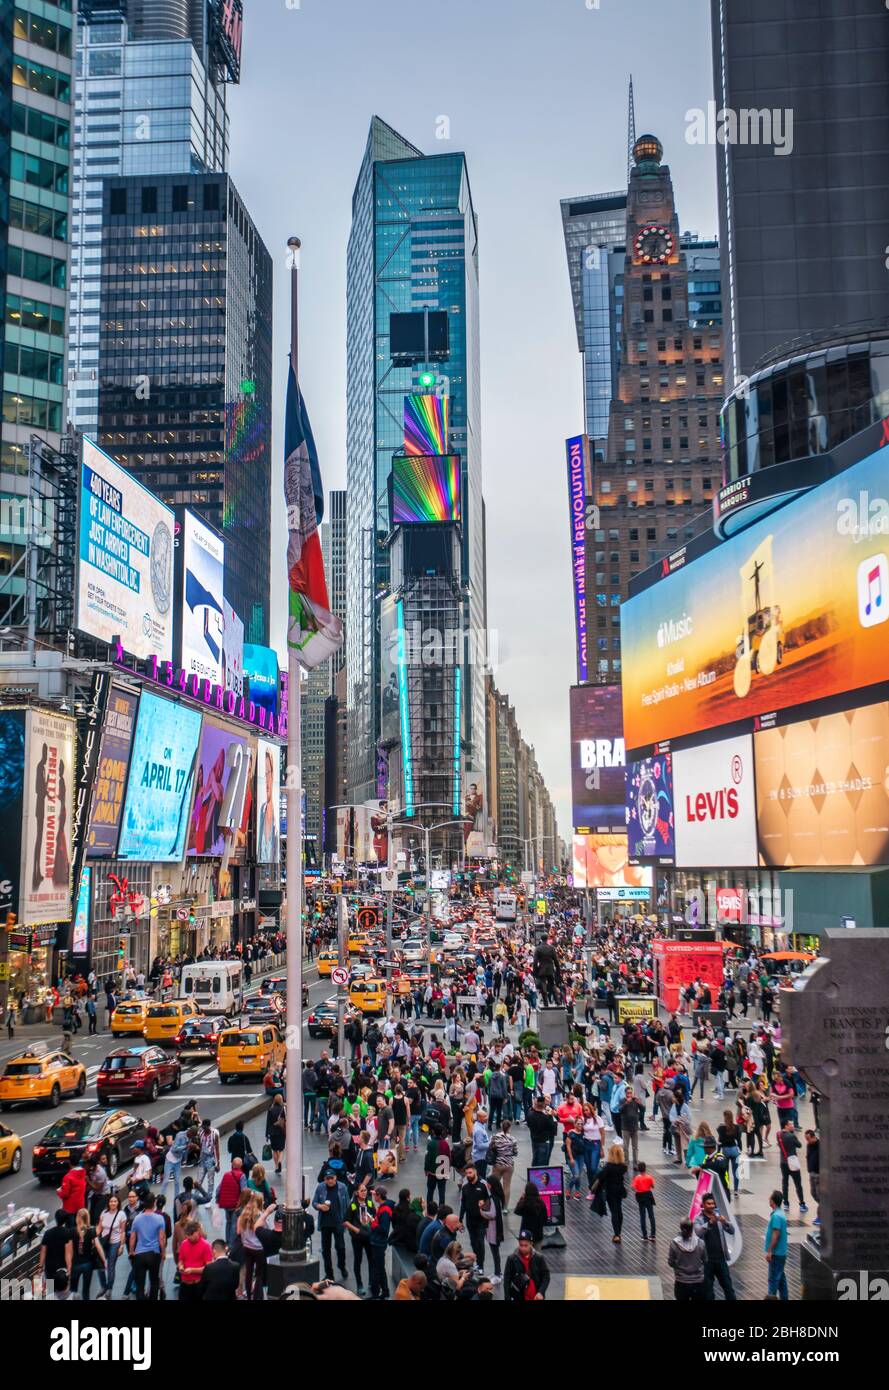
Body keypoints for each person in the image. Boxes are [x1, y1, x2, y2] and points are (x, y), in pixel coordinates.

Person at [694, 1192, 737, 1300]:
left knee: (728, 1288)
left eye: (713, 1203)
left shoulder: (718, 1216)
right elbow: (698, 1232)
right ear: (703, 1205)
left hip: (721, 1259)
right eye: (709, 1204)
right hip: (707, 1261)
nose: (712, 1206)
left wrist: (725, 1222)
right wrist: (709, 1223)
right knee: (708, 1291)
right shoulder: (698, 1219)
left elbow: (732, 1231)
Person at [129, 1193, 166, 1301]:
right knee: (154, 1281)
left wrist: (131, 1251)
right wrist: (163, 1252)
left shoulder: (137, 1219)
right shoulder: (159, 1218)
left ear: (144, 1203)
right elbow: (161, 1239)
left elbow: (132, 1238)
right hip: (154, 1254)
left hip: (140, 1254)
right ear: (154, 1203)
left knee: (140, 1284)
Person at [344, 1180, 375, 1296]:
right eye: (361, 1191)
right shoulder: (352, 1205)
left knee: (371, 1259)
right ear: (356, 1193)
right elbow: (345, 1221)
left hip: (369, 1237)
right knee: (358, 1260)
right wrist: (355, 1229)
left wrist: (372, 1222)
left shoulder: (370, 1203)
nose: (364, 1192)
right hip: (357, 1239)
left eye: (365, 1190)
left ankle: (372, 1282)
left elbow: (374, 1215)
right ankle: (359, 1284)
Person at [667, 1217, 707, 1301]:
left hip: (681, 1281)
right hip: (698, 1281)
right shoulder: (700, 1243)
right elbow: (705, 1260)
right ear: (692, 1228)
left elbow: (671, 1262)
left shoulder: (674, 1243)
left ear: (681, 1227)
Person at [596, 1142, 628, 1244]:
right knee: (619, 1210)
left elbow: (600, 1176)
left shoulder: (608, 1167)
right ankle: (619, 1232)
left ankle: (617, 1234)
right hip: (620, 1190)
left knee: (614, 1212)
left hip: (610, 1191)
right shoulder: (623, 1167)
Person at [503, 1232, 550, 1301]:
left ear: (531, 1244)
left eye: (526, 1245)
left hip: (536, 1297)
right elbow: (507, 1280)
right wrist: (507, 1297)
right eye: (521, 1245)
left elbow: (546, 1276)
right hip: (519, 1297)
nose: (523, 1248)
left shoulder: (539, 1258)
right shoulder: (512, 1259)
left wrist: (541, 1292)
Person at [97, 1194, 127, 1299]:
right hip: (104, 1243)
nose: (113, 1203)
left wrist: (122, 1246)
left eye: (115, 1201)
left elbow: (123, 1232)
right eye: (111, 1201)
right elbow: (99, 1228)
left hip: (115, 1242)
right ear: (108, 1203)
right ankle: (103, 1286)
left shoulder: (121, 1214)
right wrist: (94, 1238)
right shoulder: (104, 1213)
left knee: (111, 1266)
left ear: (118, 1203)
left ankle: (109, 1288)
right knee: (100, 1265)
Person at [177, 1219, 213, 1302]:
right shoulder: (184, 1244)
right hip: (184, 1284)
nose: (189, 1237)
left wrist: (192, 1270)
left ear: (197, 1232)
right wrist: (181, 1266)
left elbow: (208, 1268)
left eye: (191, 1235)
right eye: (187, 1235)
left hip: (198, 1285)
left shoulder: (206, 1246)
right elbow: (181, 1260)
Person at [777, 1119, 808, 1213]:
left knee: (785, 1183)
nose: (792, 1125)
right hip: (792, 1163)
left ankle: (786, 1203)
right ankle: (802, 1204)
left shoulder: (778, 1134)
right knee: (798, 1184)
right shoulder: (791, 1136)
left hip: (783, 1162)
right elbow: (799, 1145)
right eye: (790, 1124)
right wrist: (793, 1134)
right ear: (786, 1126)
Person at [368, 1184, 393, 1300]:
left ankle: (375, 1293)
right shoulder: (384, 1207)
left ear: (379, 1196)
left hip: (378, 1243)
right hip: (378, 1242)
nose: (373, 1197)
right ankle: (385, 1291)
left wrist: (373, 1223)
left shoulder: (385, 1211)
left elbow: (383, 1229)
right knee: (381, 1268)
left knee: (376, 1270)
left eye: (374, 1195)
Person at [764, 1189, 789, 1300]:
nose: (768, 1199)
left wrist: (770, 1251)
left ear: (773, 1201)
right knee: (781, 1279)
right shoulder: (779, 1213)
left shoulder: (776, 1216)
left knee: (773, 1279)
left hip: (776, 1253)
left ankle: (771, 1297)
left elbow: (776, 1234)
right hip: (781, 1253)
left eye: (770, 1197)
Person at [39, 1210, 73, 1286]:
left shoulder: (48, 1233)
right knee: (61, 1290)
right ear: (66, 1220)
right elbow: (68, 1253)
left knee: (50, 1290)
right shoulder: (67, 1233)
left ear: (56, 1219)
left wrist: (40, 1266)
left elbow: (43, 1251)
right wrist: (69, 1268)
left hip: (50, 1267)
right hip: (61, 1269)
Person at [631, 1162, 656, 1241]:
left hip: (640, 1196)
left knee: (642, 1216)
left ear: (638, 1169)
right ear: (645, 1168)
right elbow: (653, 1186)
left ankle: (644, 1235)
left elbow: (633, 1187)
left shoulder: (637, 1178)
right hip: (648, 1196)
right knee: (651, 1215)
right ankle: (653, 1234)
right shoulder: (649, 1177)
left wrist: (638, 1188)